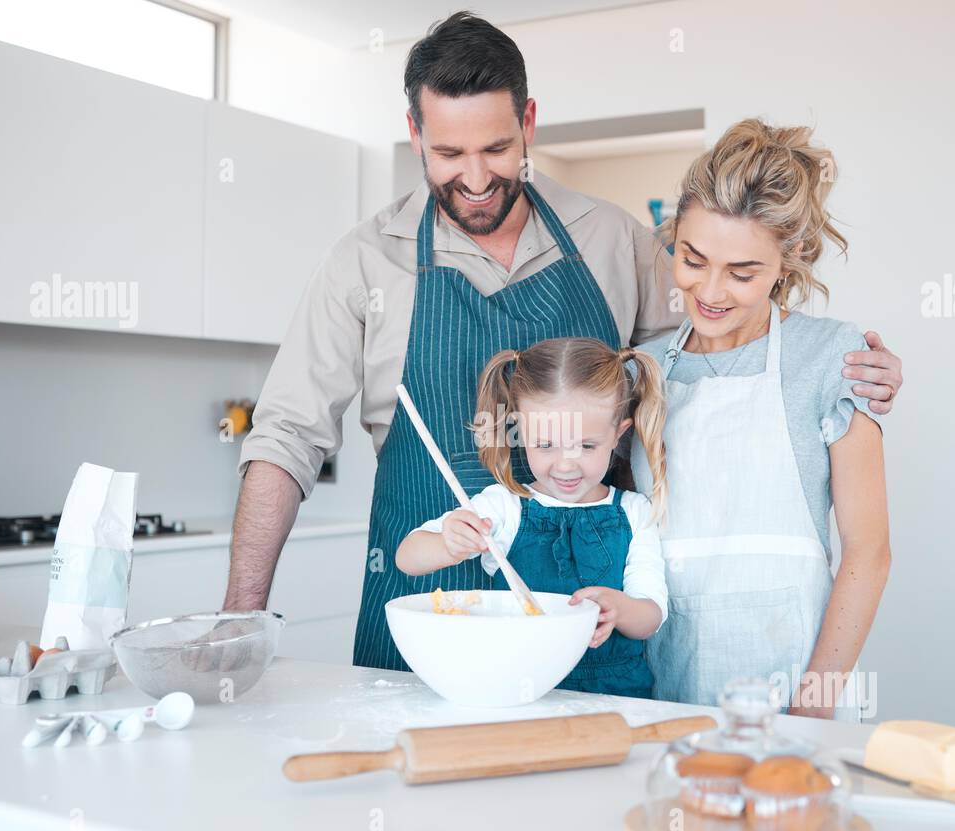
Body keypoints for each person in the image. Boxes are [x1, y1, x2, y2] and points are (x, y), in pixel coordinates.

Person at [224, 13, 905, 678]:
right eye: (448, 154)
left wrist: (846, 369)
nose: (477, 177)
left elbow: (722, 327)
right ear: (414, 133)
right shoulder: (365, 263)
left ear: (528, 123)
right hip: (424, 621)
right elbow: (284, 440)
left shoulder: (612, 240)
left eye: (495, 149)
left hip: (575, 630)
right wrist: (240, 618)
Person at [632, 118, 891, 721]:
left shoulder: (834, 358)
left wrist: (814, 706)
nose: (712, 291)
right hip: (657, 685)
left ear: (790, 259)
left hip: (795, 690)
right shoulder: (641, 370)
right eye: (692, 260)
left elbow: (868, 551)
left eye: (743, 273)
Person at [396, 338, 669, 696]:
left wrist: (620, 610)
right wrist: (449, 543)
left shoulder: (636, 513)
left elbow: (651, 616)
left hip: (614, 695)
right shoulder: (505, 507)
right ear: (520, 433)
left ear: (618, 433)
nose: (566, 463)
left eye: (587, 446)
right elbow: (407, 557)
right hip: (514, 687)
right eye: (544, 445)